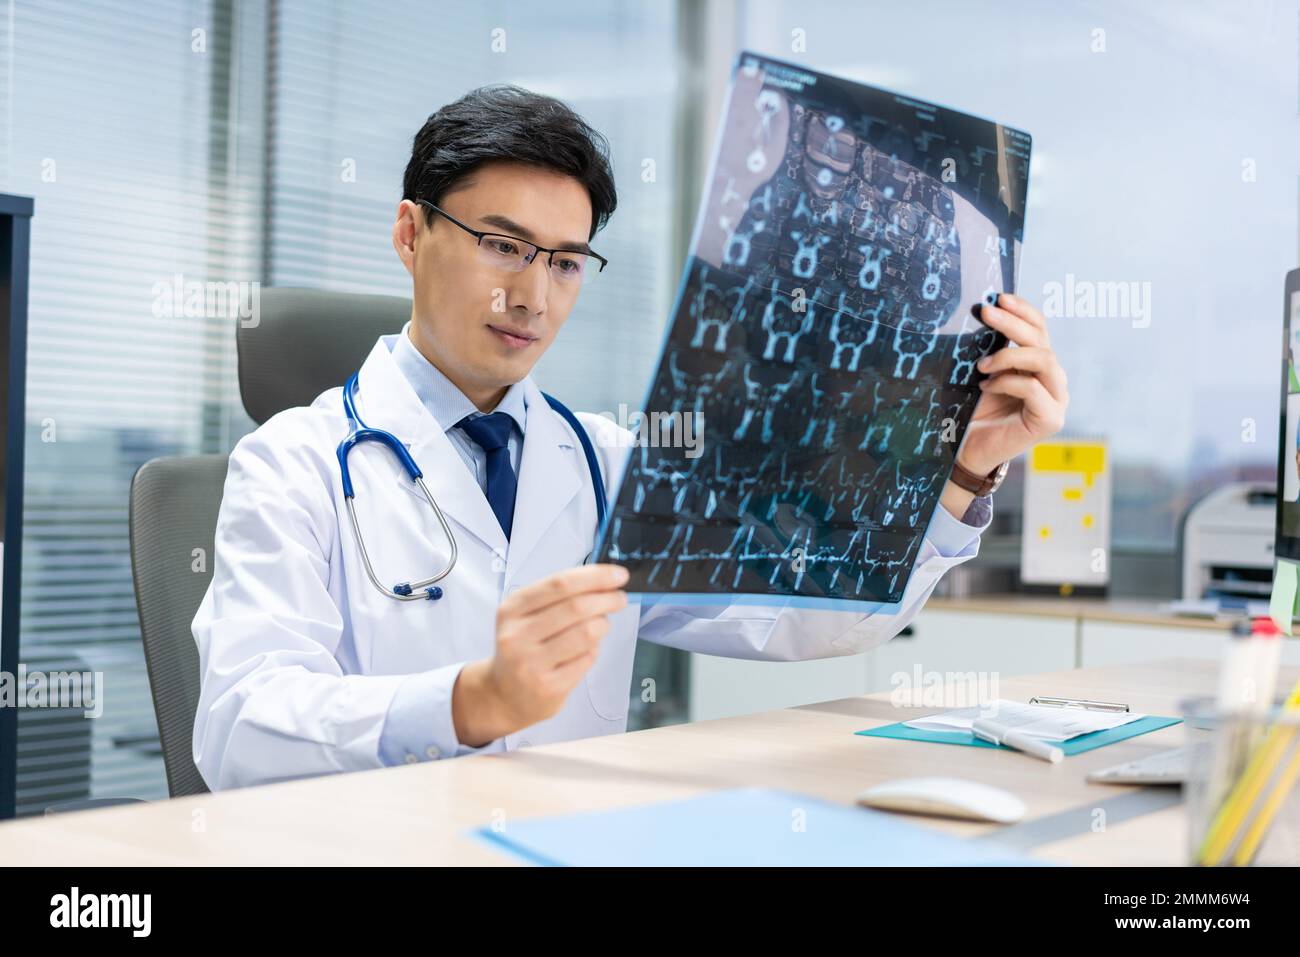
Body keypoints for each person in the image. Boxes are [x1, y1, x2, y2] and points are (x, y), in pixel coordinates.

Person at [191, 85, 1068, 790]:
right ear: (411, 234)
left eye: (566, 261)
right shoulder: (291, 464)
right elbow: (240, 728)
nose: (534, 297)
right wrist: (469, 702)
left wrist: (962, 470)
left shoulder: (607, 464)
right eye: (504, 245)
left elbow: (805, 615)